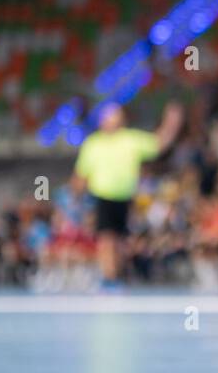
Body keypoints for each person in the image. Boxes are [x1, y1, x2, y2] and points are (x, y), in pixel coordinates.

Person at [74, 101, 184, 288]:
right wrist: (74, 197)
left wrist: (171, 123)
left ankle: (116, 276)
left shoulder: (130, 140)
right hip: (103, 195)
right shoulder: (93, 144)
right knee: (106, 237)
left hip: (124, 197)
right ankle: (109, 277)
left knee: (121, 239)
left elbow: (159, 143)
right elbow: (81, 175)